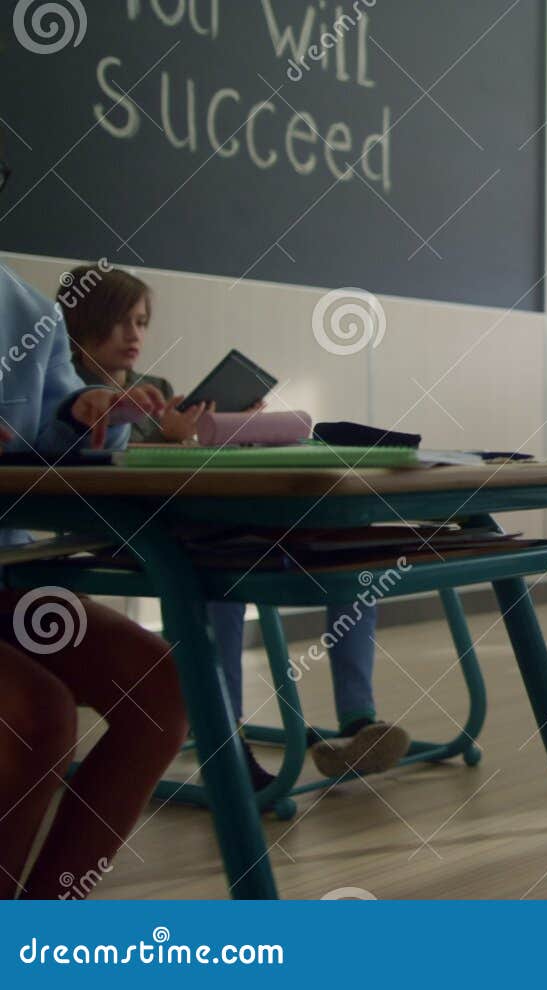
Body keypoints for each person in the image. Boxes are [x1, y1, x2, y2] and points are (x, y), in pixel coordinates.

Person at [59, 265, 409, 787]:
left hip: (193, 527)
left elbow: (187, 473)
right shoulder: (63, 392)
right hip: (123, 535)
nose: (134, 335)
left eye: (142, 322)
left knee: (348, 551)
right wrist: (169, 442)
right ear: (84, 323)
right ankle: (228, 736)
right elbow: (84, 469)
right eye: (120, 321)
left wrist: (223, 427)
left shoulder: (157, 391)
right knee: (219, 582)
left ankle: (359, 720)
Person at [0, 244, 182, 898]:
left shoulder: (29, 311)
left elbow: (58, 435)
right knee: (38, 712)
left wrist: (84, 413)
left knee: (161, 688)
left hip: (8, 573)